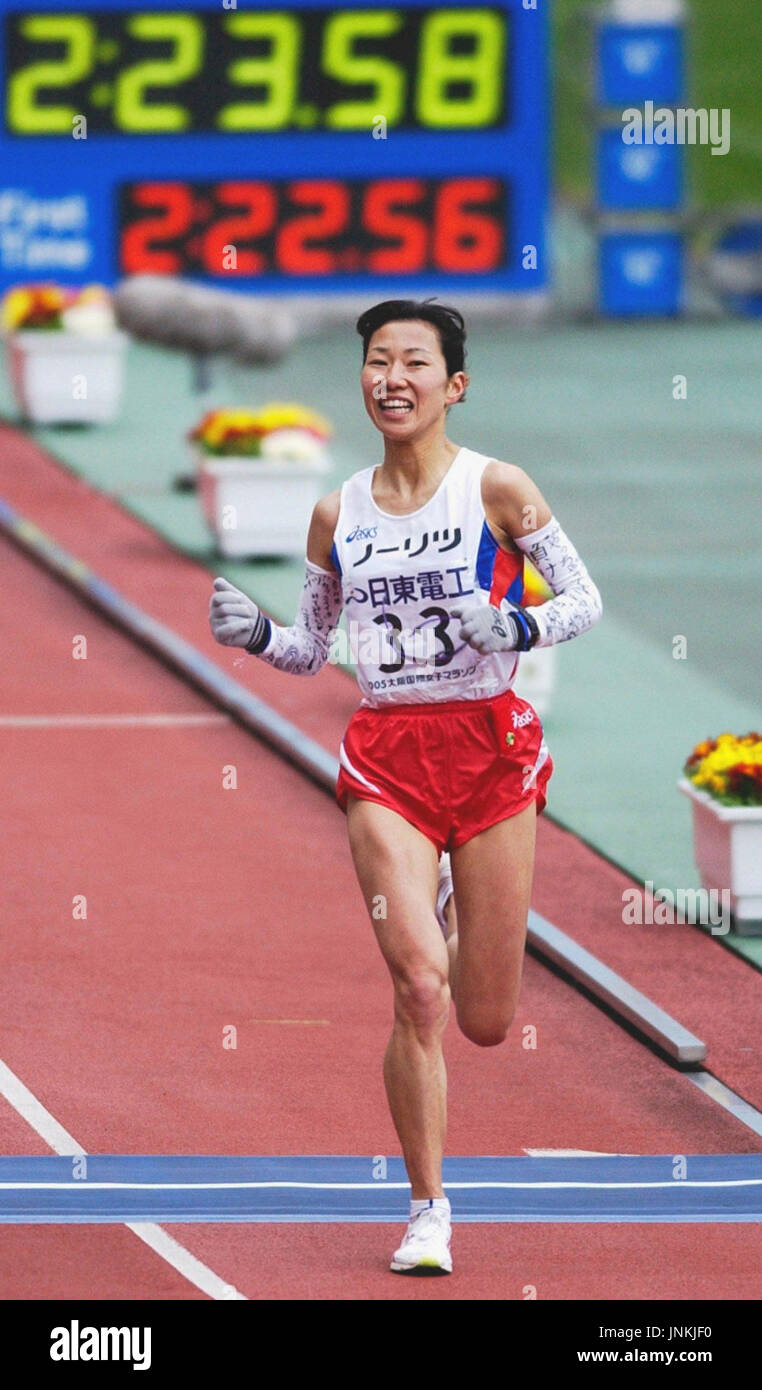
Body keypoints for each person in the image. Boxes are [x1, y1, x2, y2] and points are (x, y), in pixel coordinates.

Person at [209, 299, 603, 1275]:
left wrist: (517, 626)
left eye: (413, 362)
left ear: (453, 384)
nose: (392, 377)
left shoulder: (500, 489)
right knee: (418, 991)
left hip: (492, 752)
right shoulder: (336, 511)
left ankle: (467, 904)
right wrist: (255, 633)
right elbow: (311, 649)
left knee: (484, 1017)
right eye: (377, 360)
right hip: (387, 755)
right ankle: (429, 1207)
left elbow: (585, 600)